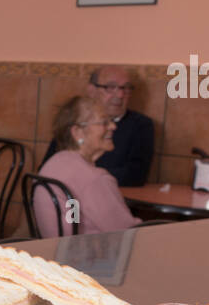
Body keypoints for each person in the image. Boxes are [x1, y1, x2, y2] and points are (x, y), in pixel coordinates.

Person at [33, 95, 138, 237]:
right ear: (78, 132)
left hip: (53, 253)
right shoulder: (94, 179)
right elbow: (127, 233)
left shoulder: (54, 163)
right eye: (104, 122)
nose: (113, 126)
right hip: (89, 256)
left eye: (111, 121)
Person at [43, 66, 154, 186]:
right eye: (111, 87)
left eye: (126, 88)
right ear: (91, 90)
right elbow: (48, 167)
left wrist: (80, 176)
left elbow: (135, 175)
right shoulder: (74, 121)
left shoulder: (141, 125)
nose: (121, 95)